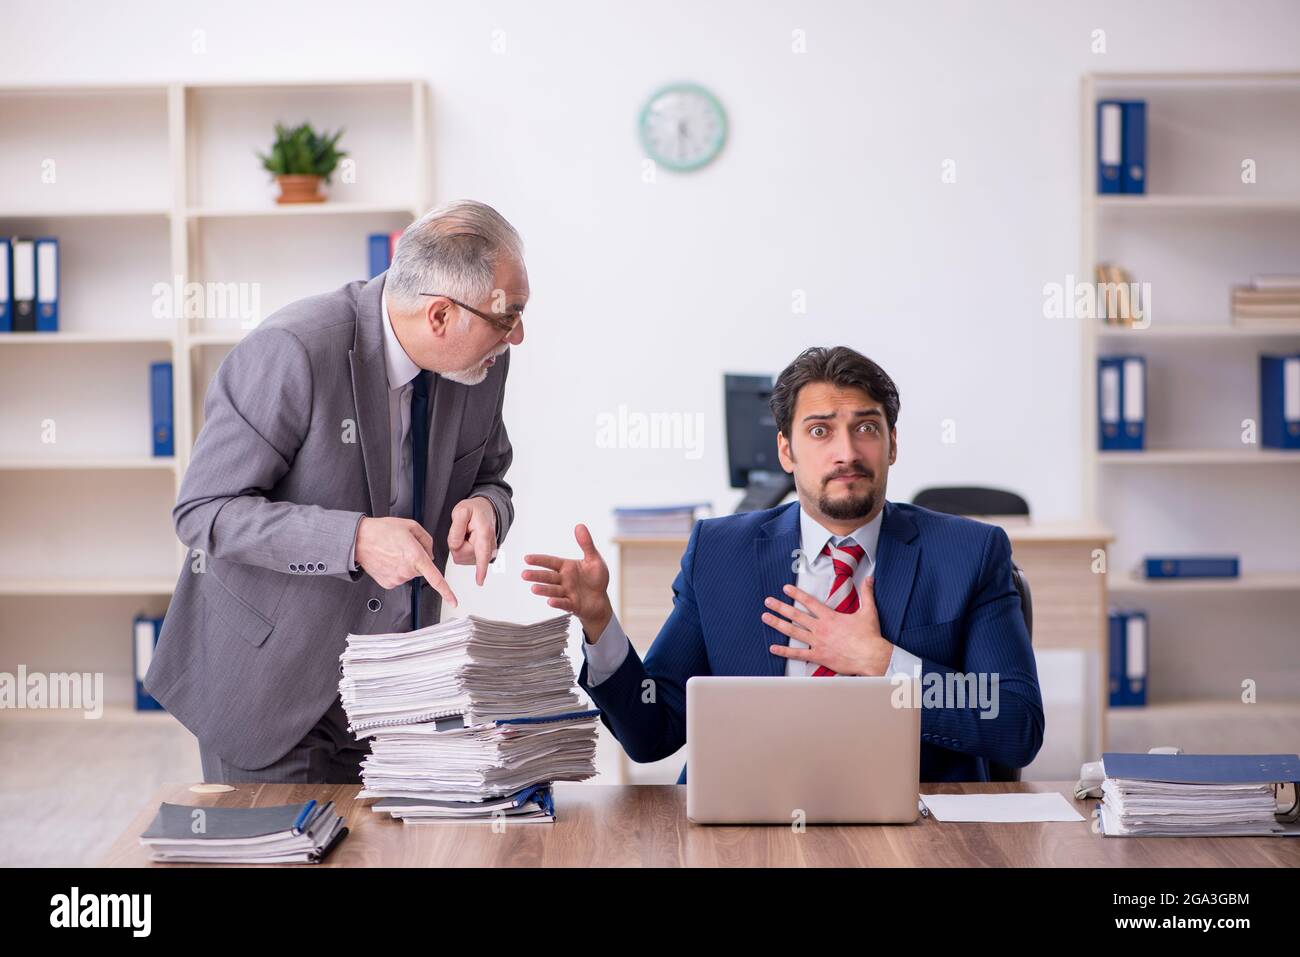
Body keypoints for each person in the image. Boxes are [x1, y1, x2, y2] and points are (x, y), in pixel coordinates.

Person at [522, 345, 1044, 782]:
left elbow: (1016, 725)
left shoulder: (969, 553)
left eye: (866, 428)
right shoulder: (720, 553)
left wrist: (882, 664)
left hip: (908, 822)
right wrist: (600, 624)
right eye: (820, 431)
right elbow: (652, 732)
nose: (846, 452)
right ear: (786, 451)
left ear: (892, 445)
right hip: (746, 820)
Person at [146, 199, 528, 784]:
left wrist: (486, 510)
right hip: (268, 679)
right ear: (441, 316)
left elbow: (490, 474)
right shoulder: (293, 350)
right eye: (507, 316)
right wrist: (353, 541)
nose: (517, 335)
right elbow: (205, 512)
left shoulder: (480, 364)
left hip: (392, 692)